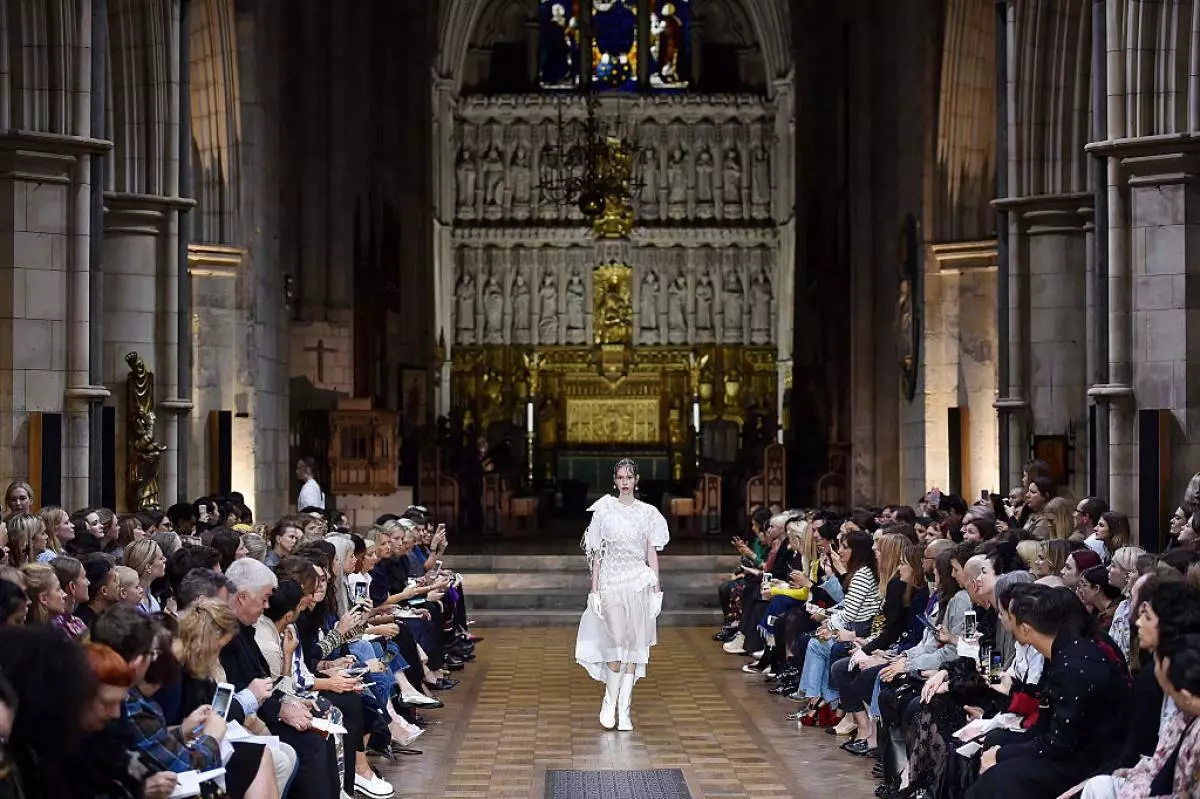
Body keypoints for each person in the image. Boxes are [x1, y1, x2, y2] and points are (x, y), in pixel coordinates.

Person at [575, 458, 669, 732]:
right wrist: (594, 590)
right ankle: (609, 701)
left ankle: (624, 710)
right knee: (617, 640)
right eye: (620, 477)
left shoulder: (648, 513)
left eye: (629, 477)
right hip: (611, 582)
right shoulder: (604, 510)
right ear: (614, 481)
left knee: (634, 645)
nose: (625, 482)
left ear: (636, 480)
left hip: (638, 581)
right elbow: (597, 553)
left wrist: (656, 588)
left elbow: (651, 551)